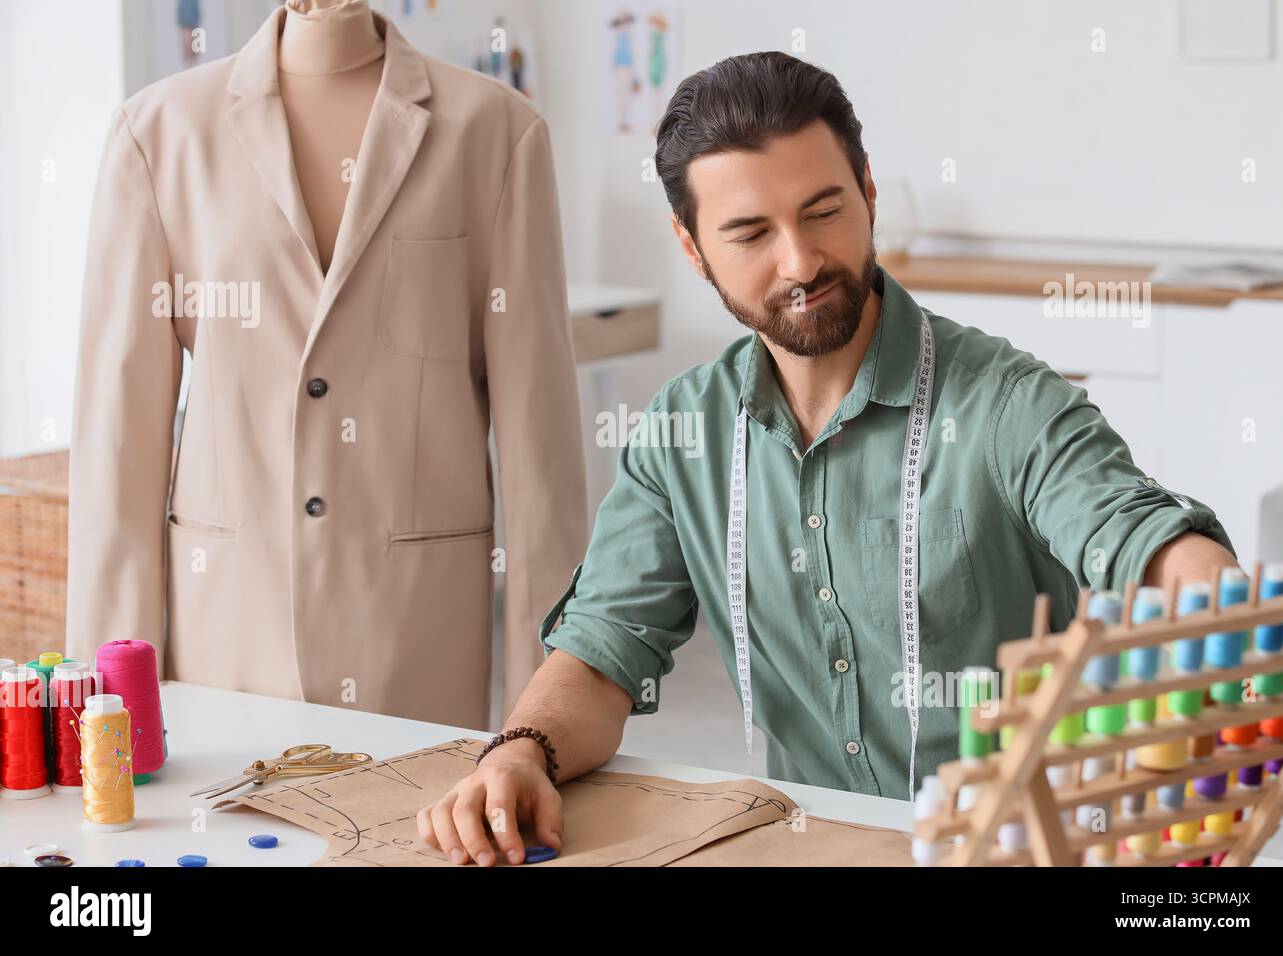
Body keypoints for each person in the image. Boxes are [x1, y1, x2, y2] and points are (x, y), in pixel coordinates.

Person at [418, 51, 1236, 866]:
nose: (801, 262)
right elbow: (601, 652)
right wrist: (522, 750)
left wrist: (1219, 598)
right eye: (749, 233)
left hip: (1021, 849)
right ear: (692, 245)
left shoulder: (1004, 402)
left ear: (869, 191)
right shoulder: (684, 432)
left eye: (824, 211)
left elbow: (1130, 529)